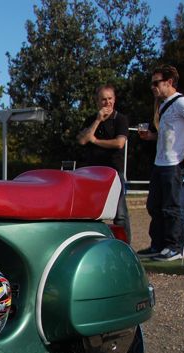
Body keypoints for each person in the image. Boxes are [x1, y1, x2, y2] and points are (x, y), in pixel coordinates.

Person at [137, 65, 184, 262]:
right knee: (154, 205)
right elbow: (167, 133)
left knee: (172, 206)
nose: (153, 87)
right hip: (160, 162)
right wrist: (151, 136)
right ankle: (158, 245)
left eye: (156, 83)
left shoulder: (182, 102)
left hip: (174, 163)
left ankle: (174, 247)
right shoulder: (164, 105)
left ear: (169, 82)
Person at [76, 84, 131, 242]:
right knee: (90, 212)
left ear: (114, 100)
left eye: (110, 99)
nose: (107, 103)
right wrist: (98, 121)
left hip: (113, 171)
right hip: (92, 173)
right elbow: (82, 140)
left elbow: (119, 143)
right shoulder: (91, 120)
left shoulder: (120, 119)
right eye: (103, 99)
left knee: (120, 214)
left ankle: (126, 246)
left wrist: (96, 141)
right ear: (97, 102)